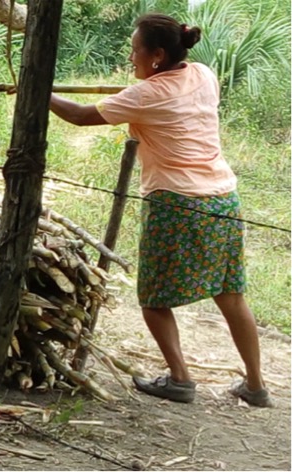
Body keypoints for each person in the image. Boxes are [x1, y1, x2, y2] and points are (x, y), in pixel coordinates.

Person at [49, 13, 272, 407]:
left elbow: (83, 116)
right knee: (231, 294)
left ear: (156, 55)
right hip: (223, 197)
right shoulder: (203, 74)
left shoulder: (146, 96)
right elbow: (160, 95)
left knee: (153, 297)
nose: (131, 56)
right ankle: (255, 386)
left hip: (177, 202)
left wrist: (39, 92)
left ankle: (180, 379)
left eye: (135, 50)